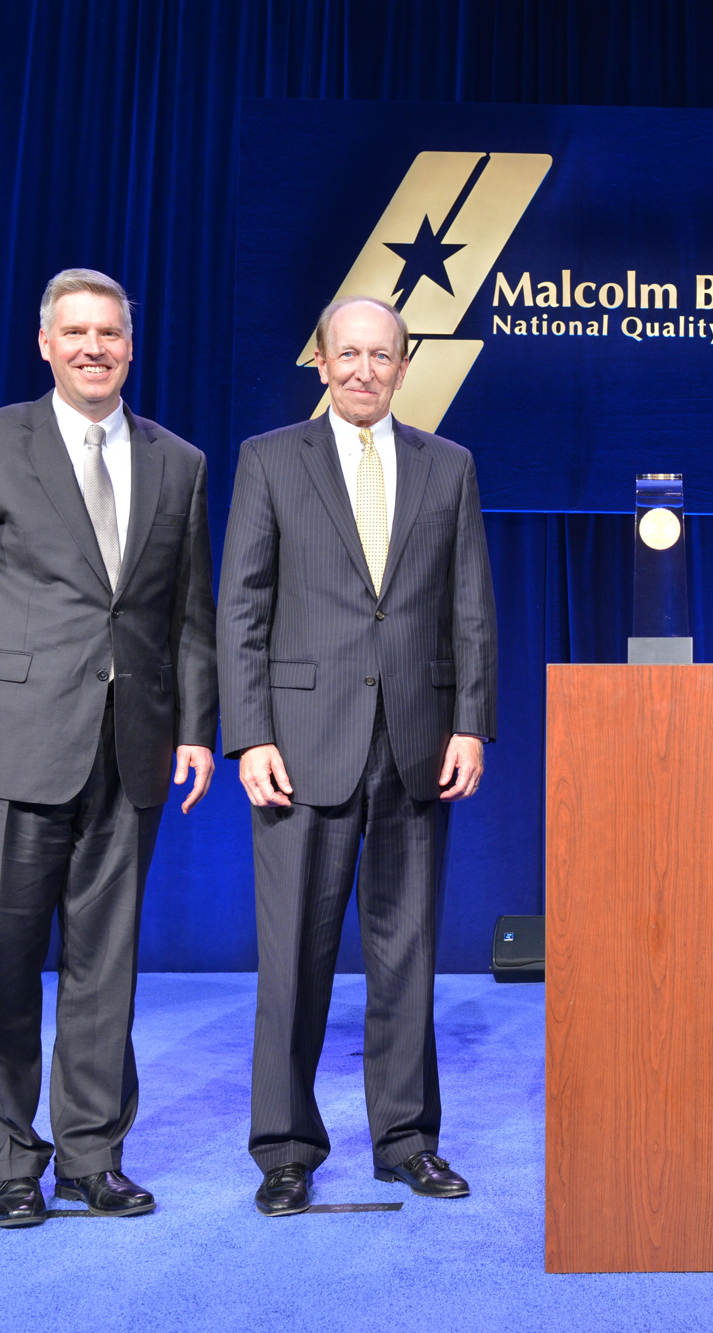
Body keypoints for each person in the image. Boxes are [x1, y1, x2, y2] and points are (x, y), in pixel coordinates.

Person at [0, 268, 218, 1228]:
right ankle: (10, 1161)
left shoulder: (180, 463)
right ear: (45, 343)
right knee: (4, 964)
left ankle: (92, 1155)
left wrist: (198, 729)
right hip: (11, 750)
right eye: (75, 332)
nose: (94, 347)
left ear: (133, 345)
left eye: (111, 333)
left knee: (106, 966)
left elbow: (189, 618)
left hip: (130, 752)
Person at [219, 296, 497, 1217]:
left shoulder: (448, 465)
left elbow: (470, 607)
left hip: (417, 744)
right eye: (350, 353)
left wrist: (470, 722)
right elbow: (241, 610)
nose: (365, 369)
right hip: (300, 748)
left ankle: (408, 1139)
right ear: (323, 360)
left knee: (408, 954)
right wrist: (250, 734)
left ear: (404, 364)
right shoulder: (269, 460)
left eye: (382, 355)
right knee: (292, 956)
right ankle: (287, 1150)